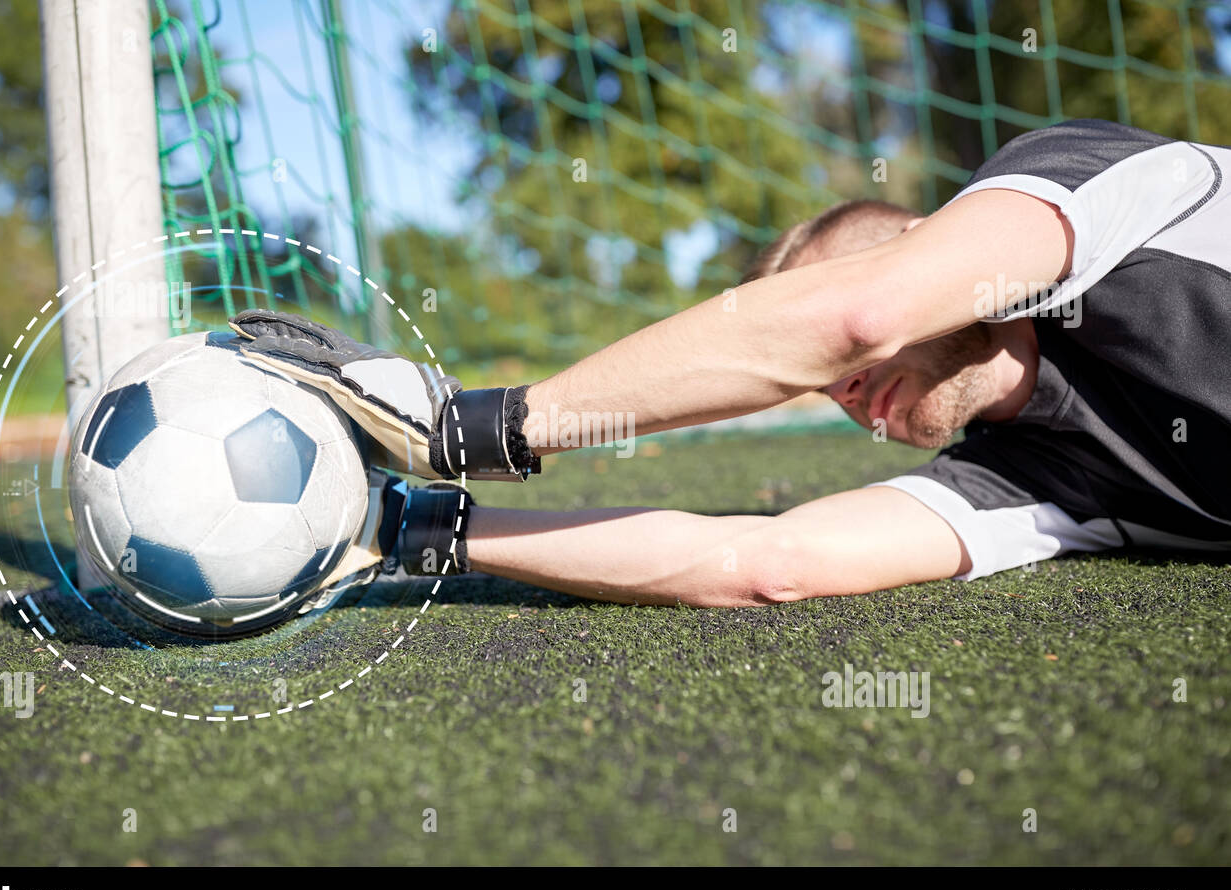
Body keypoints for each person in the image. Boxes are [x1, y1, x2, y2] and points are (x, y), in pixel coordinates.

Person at [232, 119, 1231, 607]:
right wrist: (415, 525)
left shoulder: (1117, 188)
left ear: (929, 239)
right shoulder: (1027, 483)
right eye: (807, 386)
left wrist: (468, 426)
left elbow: (859, 312)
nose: (831, 390)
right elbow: (768, 561)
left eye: (818, 353)